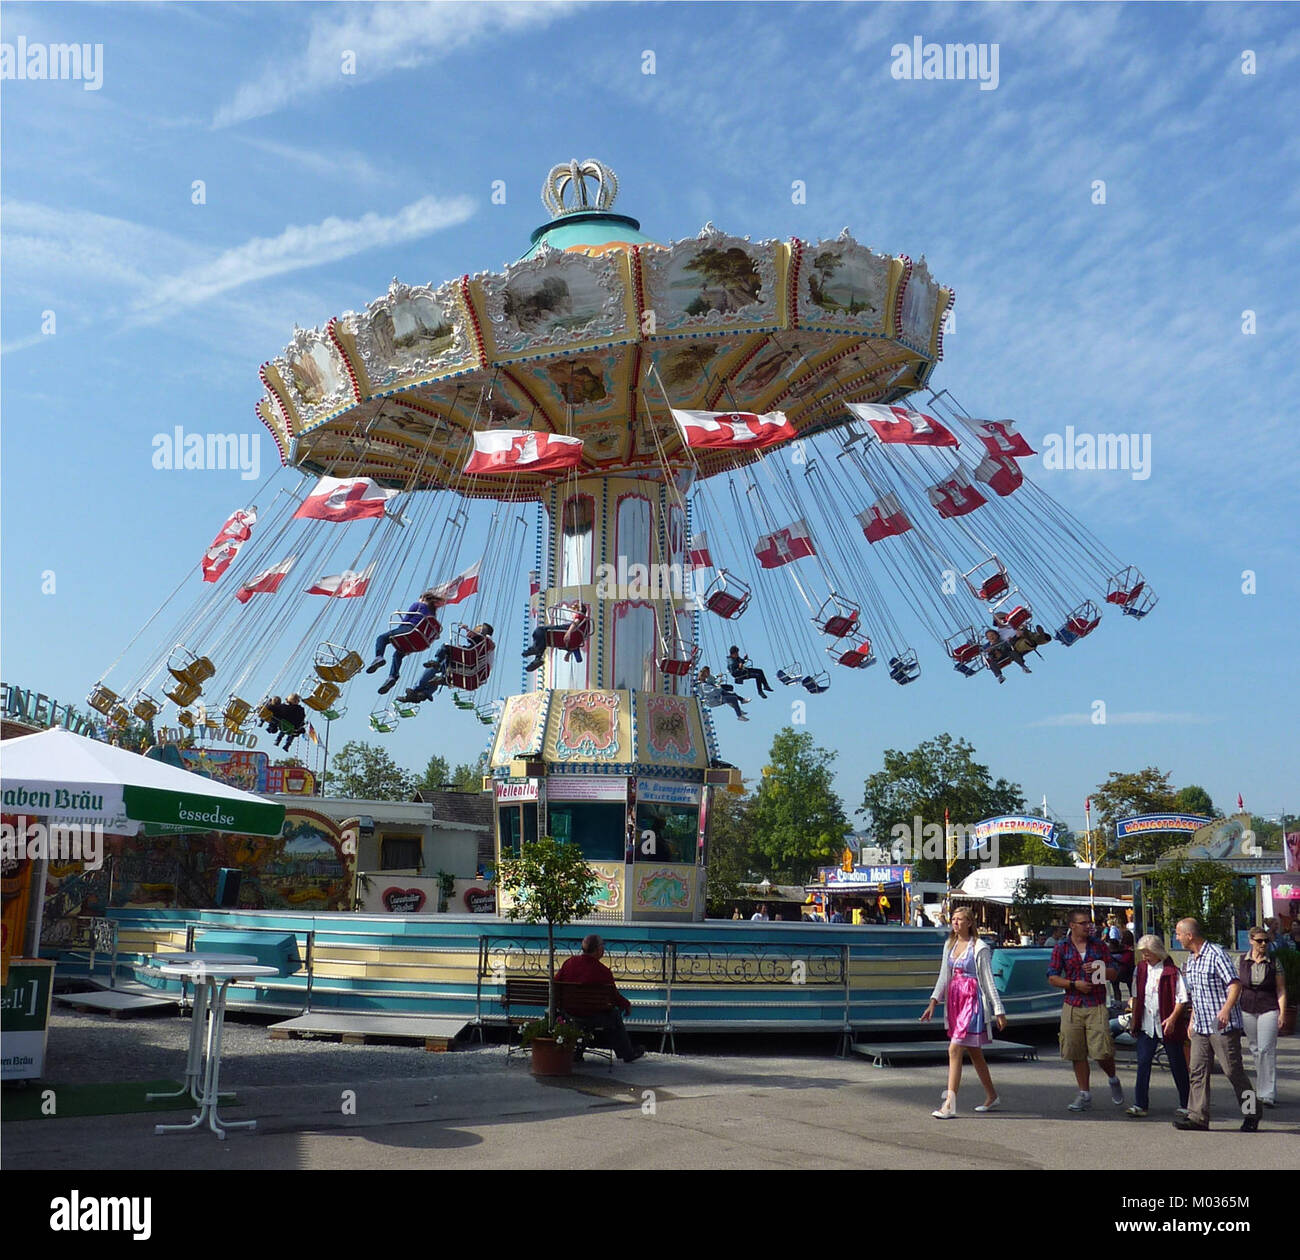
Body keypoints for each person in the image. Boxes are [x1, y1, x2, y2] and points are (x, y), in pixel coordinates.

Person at [921, 906, 1008, 1117]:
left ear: (969, 922)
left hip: (971, 1000)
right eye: (953, 919)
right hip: (955, 1000)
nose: (955, 922)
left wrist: (998, 1010)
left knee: (955, 1048)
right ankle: (992, 1095)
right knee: (974, 1051)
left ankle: (949, 1104)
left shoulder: (979, 947)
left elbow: (988, 980)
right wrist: (934, 1001)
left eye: (960, 919)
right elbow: (944, 975)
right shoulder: (949, 944)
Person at [1173, 917, 1259, 1132]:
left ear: (1189, 935)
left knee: (1233, 1071)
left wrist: (1226, 1009)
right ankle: (1197, 1117)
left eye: (1178, 934)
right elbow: (1196, 995)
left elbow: (1235, 984)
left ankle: (1252, 1113)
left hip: (1221, 1025)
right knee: (1197, 1071)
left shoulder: (1215, 954)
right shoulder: (1191, 960)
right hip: (1201, 1025)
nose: (1177, 937)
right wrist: (1192, 1020)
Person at [1047, 908, 1125, 1111]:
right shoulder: (1061, 947)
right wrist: (1074, 984)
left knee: (1102, 1051)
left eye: (1089, 923)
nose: (1088, 926)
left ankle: (1112, 1078)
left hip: (1096, 1003)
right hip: (1072, 1003)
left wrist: (1101, 969)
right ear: (1072, 925)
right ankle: (1084, 1094)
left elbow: (1114, 973)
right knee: (1076, 1051)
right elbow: (1052, 976)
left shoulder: (1099, 946)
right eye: (1083, 923)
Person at [1124, 934, 1190, 1118]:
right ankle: (1140, 1104)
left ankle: (1186, 1103)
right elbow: (1136, 995)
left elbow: (1181, 999)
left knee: (1177, 1064)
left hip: (1167, 1024)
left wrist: (1172, 1019)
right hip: (1147, 1024)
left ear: (1157, 951)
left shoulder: (1172, 971)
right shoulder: (1140, 969)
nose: (1144, 956)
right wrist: (1134, 1018)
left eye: (1148, 952)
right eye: (1142, 952)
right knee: (1143, 1063)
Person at [554, 935, 643, 1063]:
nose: (603, 948)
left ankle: (577, 1052)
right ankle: (627, 1053)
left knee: (586, 1018)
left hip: (569, 1013)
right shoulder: (603, 972)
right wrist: (626, 1005)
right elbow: (614, 997)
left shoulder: (569, 963)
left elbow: (556, 984)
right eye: (602, 945)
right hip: (593, 1016)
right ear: (597, 950)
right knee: (614, 1015)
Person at [1238, 926, 1286, 1109]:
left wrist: (1282, 1012)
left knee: (1266, 1049)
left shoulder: (1274, 962)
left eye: (1266, 941)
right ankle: (1263, 1087)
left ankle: (1267, 1093)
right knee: (1255, 1049)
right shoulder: (1241, 961)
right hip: (1247, 1008)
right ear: (1251, 941)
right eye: (1259, 941)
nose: (1263, 944)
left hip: (1268, 1007)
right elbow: (1235, 987)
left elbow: (1281, 989)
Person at [367, 589, 443, 695]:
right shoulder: (432, 616)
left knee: (382, 638)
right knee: (397, 654)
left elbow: (405, 620)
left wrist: (399, 632)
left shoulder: (418, 605)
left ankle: (379, 657)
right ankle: (392, 677)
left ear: (423, 598)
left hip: (409, 630)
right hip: (419, 641)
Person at [401, 623, 494, 701]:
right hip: (472, 674)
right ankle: (423, 694)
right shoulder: (481, 648)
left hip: (471, 671)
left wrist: (469, 630)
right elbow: (474, 639)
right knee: (435, 674)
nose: (473, 630)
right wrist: (467, 631)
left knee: (444, 649)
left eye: (477, 629)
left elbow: (477, 638)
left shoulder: (486, 642)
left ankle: (417, 689)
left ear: (482, 632)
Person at [1110, 930, 1136, 1003]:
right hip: (1129, 972)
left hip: (1120, 972)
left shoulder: (1121, 949)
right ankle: (1132, 1002)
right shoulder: (1131, 949)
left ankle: (1118, 1002)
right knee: (1131, 989)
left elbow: (1123, 960)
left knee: (1115, 987)